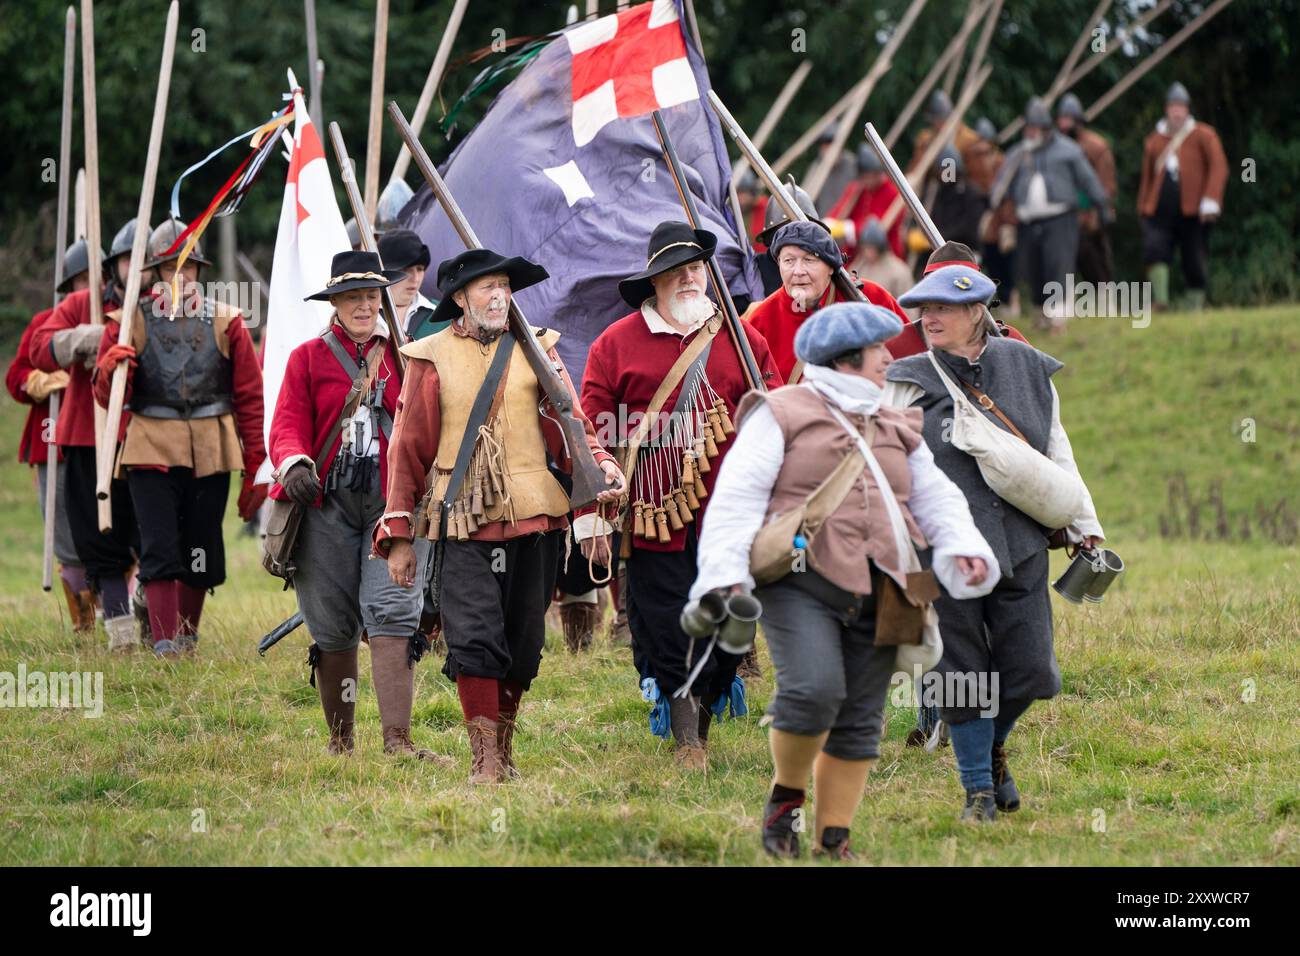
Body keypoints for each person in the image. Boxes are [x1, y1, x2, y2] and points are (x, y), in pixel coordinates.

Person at [692, 300, 997, 858]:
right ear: (847, 359)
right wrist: (724, 577)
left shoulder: (895, 420)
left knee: (860, 716)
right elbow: (735, 501)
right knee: (812, 690)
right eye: (878, 351)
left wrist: (963, 547)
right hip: (799, 580)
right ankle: (786, 801)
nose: (888, 358)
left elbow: (934, 497)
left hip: (886, 585)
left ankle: (835, 839)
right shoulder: (780, 412)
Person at [375, 247, 625, 783]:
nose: (498, 296)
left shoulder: (538, 348)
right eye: (486, 288)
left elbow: (572, 424)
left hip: (537, 520)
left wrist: (600, 468)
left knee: (523, 643)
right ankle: (484, 758)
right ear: (460, 299)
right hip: (463, 520)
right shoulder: (429, 355)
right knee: (475, 639)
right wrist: (398, 533)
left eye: (504, 287)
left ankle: (504, 750)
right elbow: (407, 449)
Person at [884, 263, 1105, 822]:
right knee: (960, 673)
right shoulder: (906, 376)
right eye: (923, 308)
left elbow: (1058, 451)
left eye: (941, 308)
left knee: (1032, 670)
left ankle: (993, 745)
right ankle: (978, 788)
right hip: (942, 551)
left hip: (1020, 542)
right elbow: (882, 463)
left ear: (975, 311)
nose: (926, 317)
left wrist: (1085, 524)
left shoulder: (1028, 366)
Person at [579, 221, 780, 769]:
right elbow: (590, 427)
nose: (690, 278)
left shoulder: (741, 337)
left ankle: (705, 714)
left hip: (731, 510)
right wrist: (602, 494)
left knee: (729, 622)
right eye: (676, 271)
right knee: (668, 621)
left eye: (696, 268)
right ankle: (689, 739)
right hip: (652, 511)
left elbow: (777, 408)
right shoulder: (614, 344)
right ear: (655, 282)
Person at [269, 250, 434, 757]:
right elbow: (286, 424)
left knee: (393, 611)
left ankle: (397, 742)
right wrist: (295, 462)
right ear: (335, 302)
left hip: (394, 502)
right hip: (326, 503)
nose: (364, 306)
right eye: (352, 297)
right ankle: (341, 744)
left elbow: (429, 424)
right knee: (331, 620)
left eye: (370, 296)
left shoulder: (410, 356)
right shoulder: (307, 358)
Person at [92, 219, 266, 658]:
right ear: (157, 271)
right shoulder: (130, 320)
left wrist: (255, 463)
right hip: (150, 440)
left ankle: (187, 637)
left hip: (211, 442)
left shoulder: (227, 321)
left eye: (187, 268)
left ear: (199, 272)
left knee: (202, 544)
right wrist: (111, 370)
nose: (180, 277)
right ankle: (164, 641)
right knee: (160, 543)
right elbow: (110, 397)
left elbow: (249, 396)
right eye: (171, 268)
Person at [28, 219, 144, 651]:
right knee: (99, 538)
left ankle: (154, 617)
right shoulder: (81, 303)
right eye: (129, 261)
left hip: (144, 438)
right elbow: (39, 347)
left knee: (146, 536)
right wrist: (87, 339)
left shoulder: (160, 306)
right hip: (85, 437)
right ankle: (120, 631)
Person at [5, 240, 90, 629]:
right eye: (83, 280)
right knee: (64, 534)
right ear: (71, 284)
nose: (89, 287)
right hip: (52, 441)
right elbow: (15, 377)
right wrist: (41, 380)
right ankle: (83, 618)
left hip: (100, 443)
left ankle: (114, 609)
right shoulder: (44, 323)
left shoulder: (116, 318)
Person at [991, 98, 1109, 332]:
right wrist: (998, 205)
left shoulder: (1068, 150)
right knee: (1035, 269)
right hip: (1028, 221)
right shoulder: (1018, 154)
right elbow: (1000, 186)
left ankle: (1058, 319)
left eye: (1036, 128)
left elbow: (1089, 181)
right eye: (1029, 128)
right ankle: (1041, 315)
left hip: (1060, 219)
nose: (1032, 132)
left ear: (1046, 129)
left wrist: (1101, 207)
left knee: (1059, 266)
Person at [747, 219, 908, 384]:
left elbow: (911, 357)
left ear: (831, 266)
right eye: (789, 261)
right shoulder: (760, 320)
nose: (798, 271)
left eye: (809, 260)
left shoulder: (872, 297)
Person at [1137, 82, 1228, 312]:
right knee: (1155, 250)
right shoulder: (1154, 140)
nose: (1177, 111)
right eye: (1172, 107)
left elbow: (1219, 167)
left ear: (1187, 110)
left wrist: (1211, 199)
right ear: (1166, 109)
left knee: (1194, 258)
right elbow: (1147, 177)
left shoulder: (1204, 135)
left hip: (1193, 209)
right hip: (1160, 210)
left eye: (1181, 107)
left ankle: (1194, 306)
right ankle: (1161, 302)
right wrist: (1143, 207)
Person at [1056, 93, 1117, 285]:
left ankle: (1105, 302)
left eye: (1068, 119)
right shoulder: (1054, 148)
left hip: (1090, 213)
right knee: (1063, 265)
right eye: (1062, 119)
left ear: (1078, 121)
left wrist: (1098, 213)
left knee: (1096, 263)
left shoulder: (1096, 146)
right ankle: (1066, 304)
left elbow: (1106, 184)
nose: (1064, 124)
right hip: (1065, 215)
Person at [825, 145, 904, 262]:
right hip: (855, 254)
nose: (868, 180)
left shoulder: (892, 194)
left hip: (884, 254)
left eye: (872, 175)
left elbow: (879, 225)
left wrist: (849, 228)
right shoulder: (857, 188)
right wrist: (828, 224)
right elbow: (839, 210)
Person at [377, 228, 441, 340]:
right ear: (384, 271)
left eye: (420, 269)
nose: (415, 278)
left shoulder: (442, 315)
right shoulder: (362, 315)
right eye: (406, 270)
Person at [849, 218, 914, 304]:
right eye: (866, 247)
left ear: (880, 247)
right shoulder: (858, 267)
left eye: (871, 248)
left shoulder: (899, 272)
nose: (868, 252)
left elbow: (908, 307)